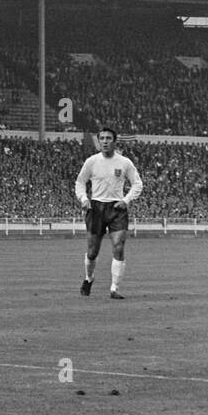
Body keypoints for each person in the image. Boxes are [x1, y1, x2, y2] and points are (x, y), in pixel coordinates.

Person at [74, 128, 142, 299]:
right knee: (92, 251)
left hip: (117, 209)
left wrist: (126, 200)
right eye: (102, 138)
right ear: (98, 141)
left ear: (115, 141)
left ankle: (114, 288)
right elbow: (80, 182)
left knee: (118, 246)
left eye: (108, 138)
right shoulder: (91, 161)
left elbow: (137, 184)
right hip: (96, 208)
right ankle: (89, 278)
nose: (105, 141)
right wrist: (83, 198)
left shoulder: (125, 162)